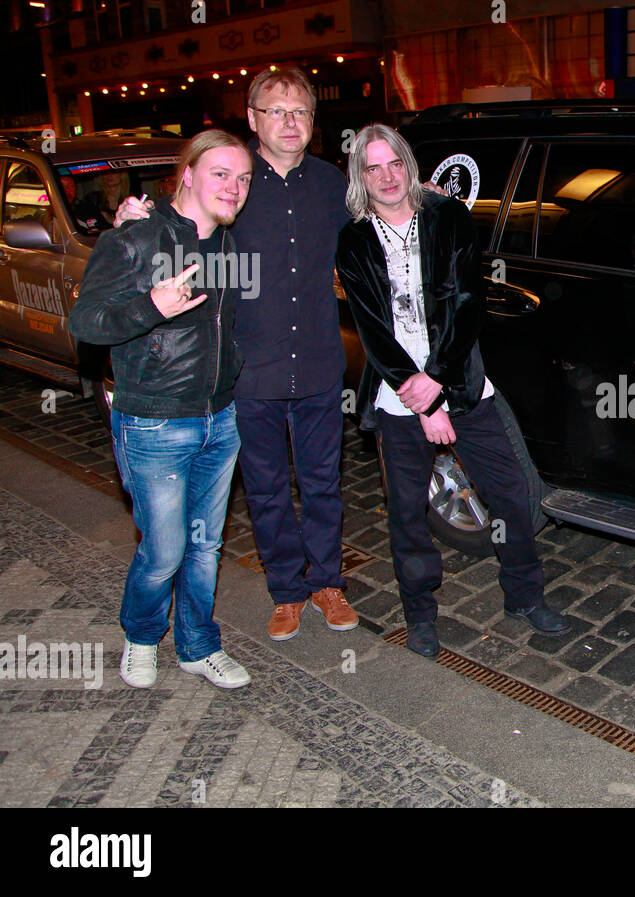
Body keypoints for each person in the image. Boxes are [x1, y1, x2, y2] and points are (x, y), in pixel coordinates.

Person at [115, 67, 358, 643]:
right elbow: (181, 208)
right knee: (267, 488)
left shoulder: (333, 184)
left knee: (324, 483)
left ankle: (328, 582)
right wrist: (135, 218)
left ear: (312, 121)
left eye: (300, 111)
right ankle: (287, 590)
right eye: (276, 112)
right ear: (253, 119)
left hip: (321, 363)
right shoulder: (235, 181)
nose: (289, 123)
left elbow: (387, 204)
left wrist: (431, 197)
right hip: (249, 371)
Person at [335, 124, 570, 657]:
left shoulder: (447, 217)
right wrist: (419, 396)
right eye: (373, 167)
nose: (387, 176)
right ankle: (419, 612)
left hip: (460, 380)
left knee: (511, 494)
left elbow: (468, 302)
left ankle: (524, 597)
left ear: (408, 164)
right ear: (361, 177)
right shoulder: (353, 240)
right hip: (398, 393)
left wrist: (437, 385)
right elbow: (372, 329)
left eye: (394, 162)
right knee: (407, 512)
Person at [69, 130, 254, 689]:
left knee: (205, 545)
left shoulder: (230, 246)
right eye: (221, 173)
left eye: (243, 178)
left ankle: (198, 644)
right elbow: (85, 323)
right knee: (165, 549)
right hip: (154, 420)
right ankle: (142, 635)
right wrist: (153, 304)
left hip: (221, 419)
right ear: (188, 175)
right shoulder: (135, 240)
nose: (234, 187)